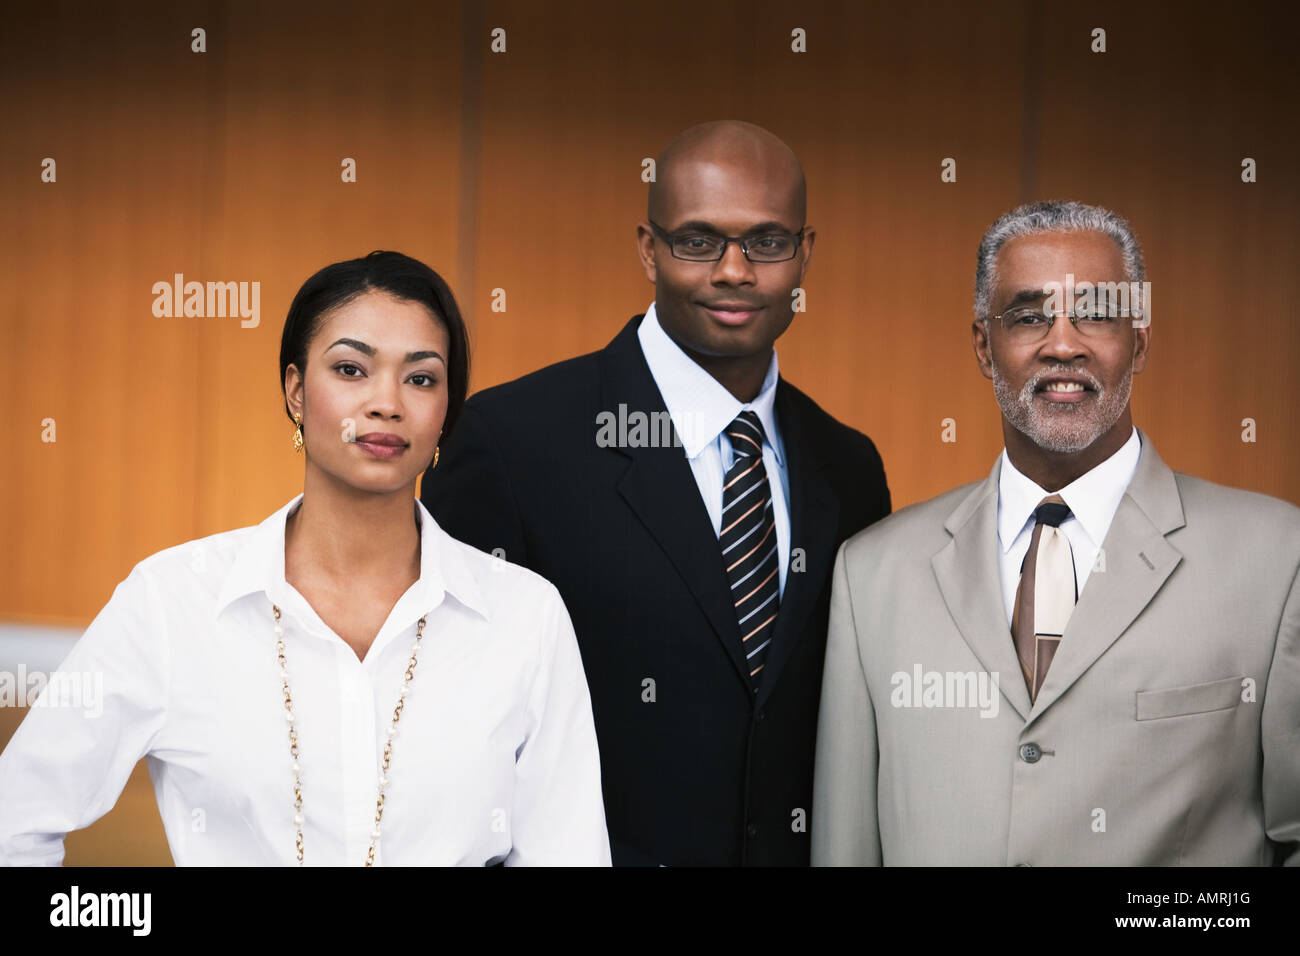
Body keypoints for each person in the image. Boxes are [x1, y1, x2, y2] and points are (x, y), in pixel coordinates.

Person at [0, 251, 610, 866]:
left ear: (447, 412)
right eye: (351, 369)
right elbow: (15, 822)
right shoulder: (171, 601)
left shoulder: (526, 617)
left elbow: (569, 854)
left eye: (421, 378)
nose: (386, 403)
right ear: (296, 391)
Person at [420, 120, 891, 865]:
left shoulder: (850, 468)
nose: (734, 271)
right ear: (648, 247)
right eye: (698, 240)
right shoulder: (511, 441)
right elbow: (439, 724)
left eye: (767, 242)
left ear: (805, 254)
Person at [811, 200, 1300, 866]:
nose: (1062, 343)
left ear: (1140, 341)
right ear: (985, 346)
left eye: (1095, 313)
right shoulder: (871, 575)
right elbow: (844, 848)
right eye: (1029, 315)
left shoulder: (1276, 560)